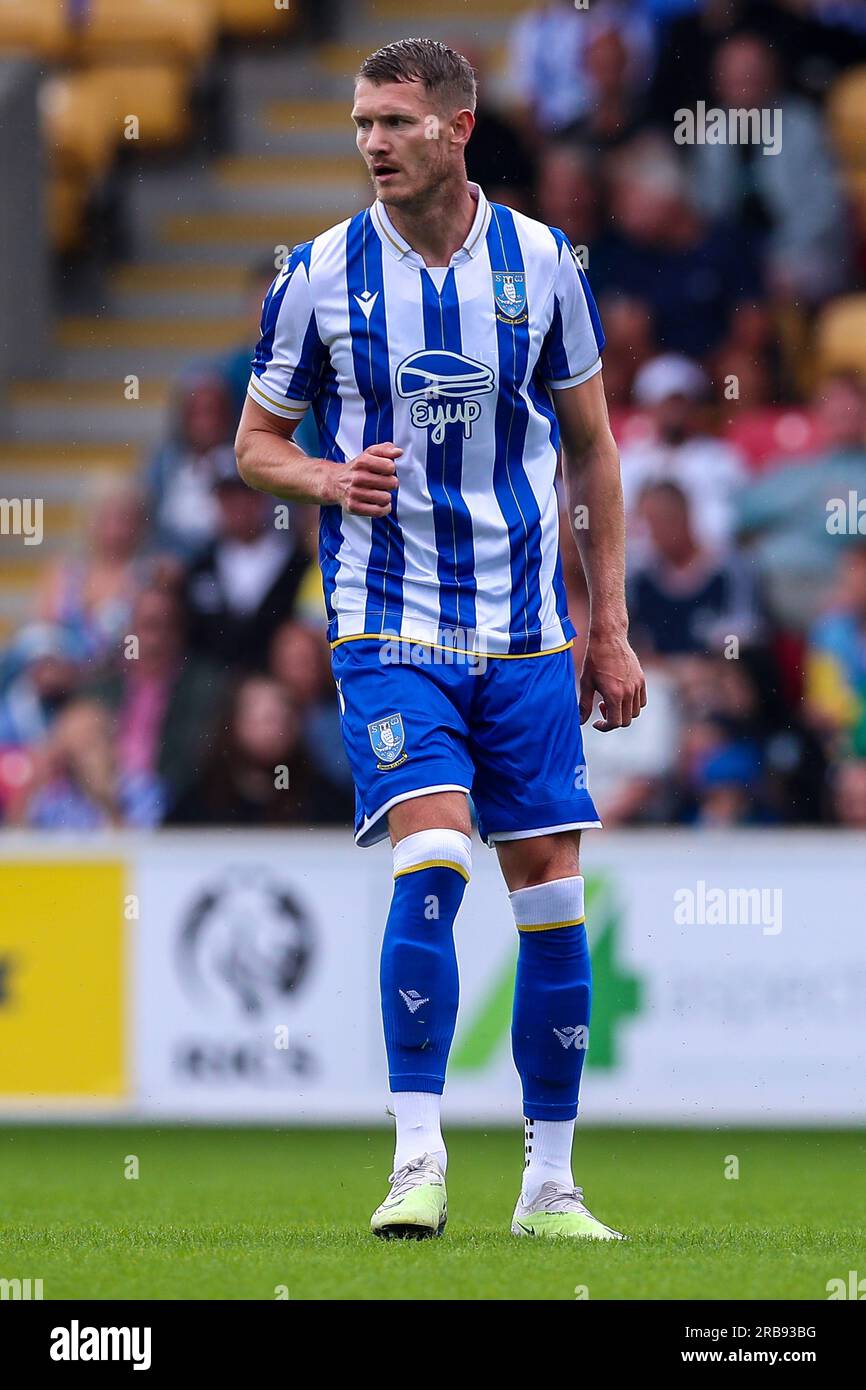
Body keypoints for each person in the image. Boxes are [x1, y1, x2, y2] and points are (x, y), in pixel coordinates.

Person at [236, 38, 645, 1242]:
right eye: (362, 121)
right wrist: (324, 474)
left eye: (396, 122)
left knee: (552, 904)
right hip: (387, 621)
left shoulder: (538, 262)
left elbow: (591, 448)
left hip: (524, 629)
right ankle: (417, 1158)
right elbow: (256, 444)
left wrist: (606, 624)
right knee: (433, 859)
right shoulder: (314, 275)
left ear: (457, 129)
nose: (372, 141)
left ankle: (549, 1186)